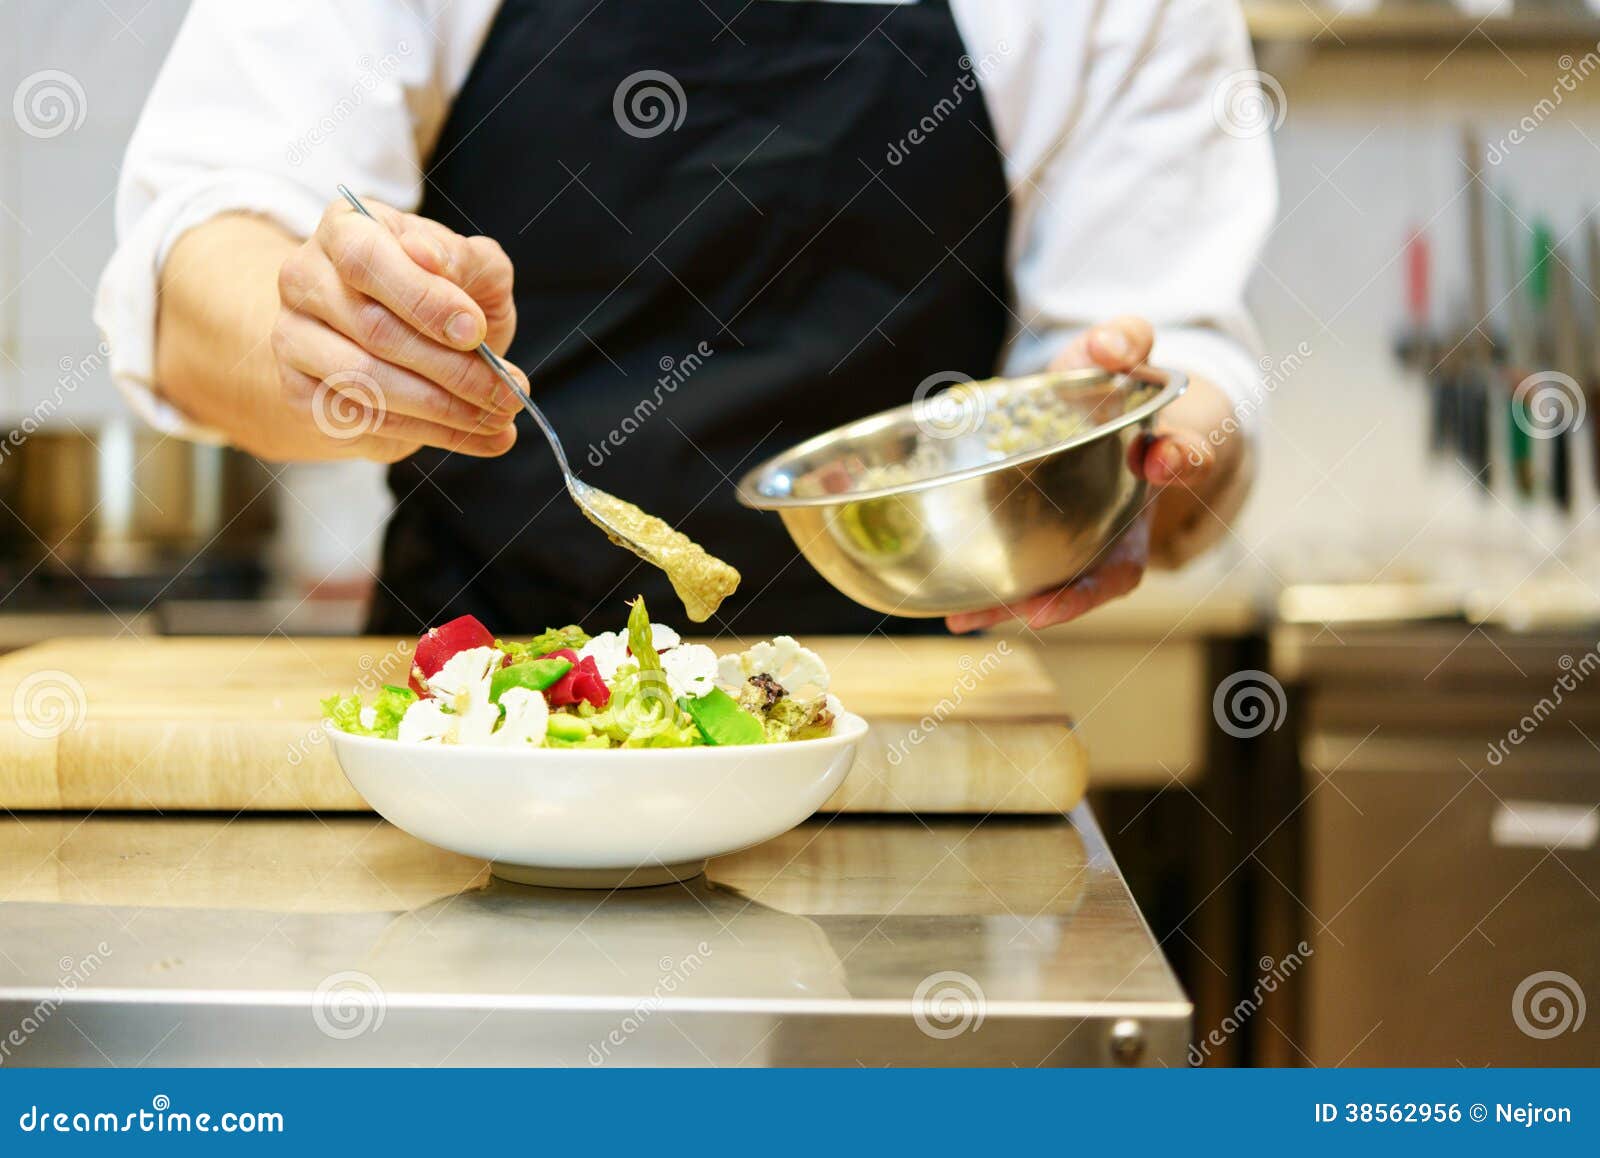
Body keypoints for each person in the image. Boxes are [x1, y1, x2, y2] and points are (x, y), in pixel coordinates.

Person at [98, 0, 1275, 636]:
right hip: (477, 727)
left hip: (904, 751)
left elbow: (1173, 365)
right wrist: (319, 339)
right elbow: (201, 257)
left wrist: (1135, 463)